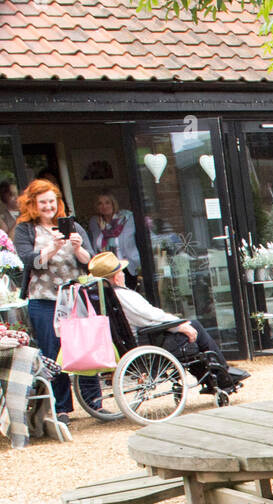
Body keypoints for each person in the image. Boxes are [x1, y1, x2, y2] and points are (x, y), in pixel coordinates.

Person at [12, 178, 109, 423]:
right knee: (52, 354)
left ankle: (94, 402)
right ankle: (62, 408)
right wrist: (53, 248)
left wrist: (77, 248)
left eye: (52, 201)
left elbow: (89, 261)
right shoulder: (25, 229)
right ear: (33, 204)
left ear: (58, 202)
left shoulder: (73, 226)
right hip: (44, 300)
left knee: (84, 348)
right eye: (42, 202)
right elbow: (30, 261)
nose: (48, 207)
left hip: (74, 297)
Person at [87, 251, 248, 390]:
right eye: (121, 271)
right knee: (194, 326)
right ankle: (224, 375)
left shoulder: (102, 299)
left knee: (190, 333)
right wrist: (179, 325)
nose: (123, 274)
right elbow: (151, 317)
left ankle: (213, 378)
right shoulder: (124, 296)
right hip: (147, 343)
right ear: (116, 277)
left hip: (132, 343)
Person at [88, 194, 140, 288]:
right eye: (100, 203)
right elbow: (94, 246)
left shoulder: (126, 218)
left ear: (113, 204)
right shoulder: (95, 222)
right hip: (106, 270)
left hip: (126, 267)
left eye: (107, 202)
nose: (104, 206)